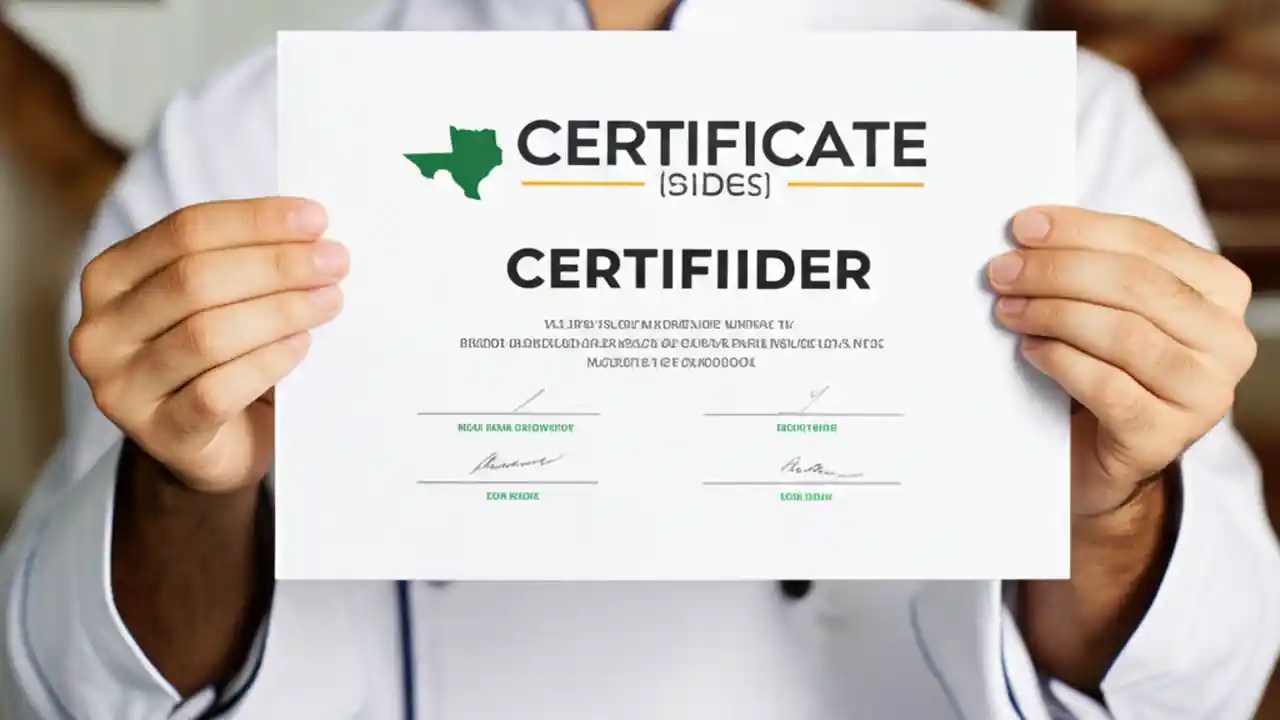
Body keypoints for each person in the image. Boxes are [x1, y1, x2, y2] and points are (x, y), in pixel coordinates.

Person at [2, 0, 1278, 717]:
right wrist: (185, 486)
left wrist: (1113, 496)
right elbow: (78, 691)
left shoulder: (1050, 122)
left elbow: (1199, 684)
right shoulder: (251, 133)